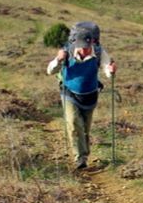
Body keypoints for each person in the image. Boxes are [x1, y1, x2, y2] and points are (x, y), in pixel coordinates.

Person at [46, 22, 116, 170]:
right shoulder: (66, 51)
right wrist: (58, 59)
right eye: (81, 46)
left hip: (90, 94)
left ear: (93, 42)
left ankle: (84, 153)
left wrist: (110, 70)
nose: (83, 50)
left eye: (86, 47)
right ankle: (80, 158)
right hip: (69, 92)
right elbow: (50, 71)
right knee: (73, 124)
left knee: (85, 129)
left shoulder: (98, 52)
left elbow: (106, 69)